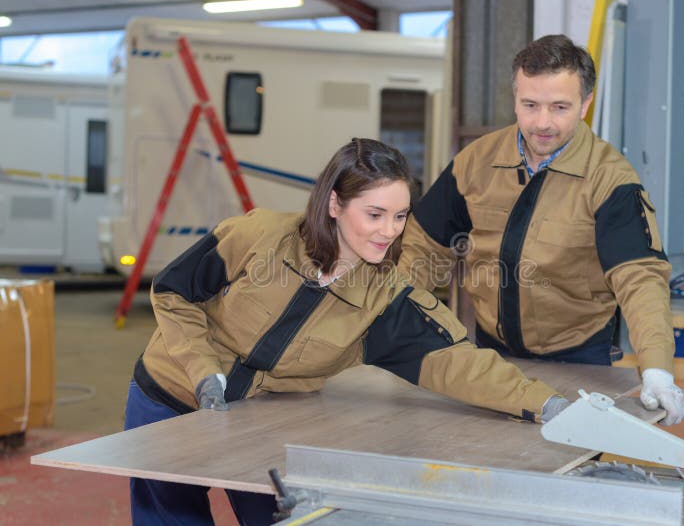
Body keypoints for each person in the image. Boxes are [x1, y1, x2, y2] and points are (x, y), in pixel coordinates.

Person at [124, 138, 568, 526]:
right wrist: (203, 373)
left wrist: (544, 404)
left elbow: (459, 363)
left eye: (399, 217)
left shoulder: (384, 300)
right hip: (167, 399)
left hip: (252, 425)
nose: (389, 232)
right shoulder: (257, 236)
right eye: (375, 214)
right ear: (334, 204)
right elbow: (173, 292)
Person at [399, 35, 684, 427]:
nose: (542, 123)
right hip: (492, 354)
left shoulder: (610, 179)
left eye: (560, 107)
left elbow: (639, 277)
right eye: (530, 105)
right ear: (514, 96)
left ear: (586, 104)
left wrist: (657, 367)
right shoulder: (475, 162)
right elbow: (423, 249)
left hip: (580, 358)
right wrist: (393, 321)